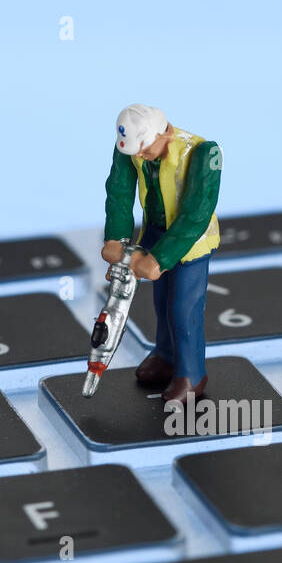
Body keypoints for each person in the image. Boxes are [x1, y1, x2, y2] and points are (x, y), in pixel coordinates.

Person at [102, 104, 221, 403]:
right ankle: (166, 356)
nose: (139, 156)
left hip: (190, 243)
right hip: (154, 231)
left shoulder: (202, 154)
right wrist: (117, 238)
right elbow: (119, 192)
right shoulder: (131, 150)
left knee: (184, 310)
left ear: (164, 133)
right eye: (135, 151)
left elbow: (196, 214)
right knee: (161, 303)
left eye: (144, 149)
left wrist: (158, 260)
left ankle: (192, 375)